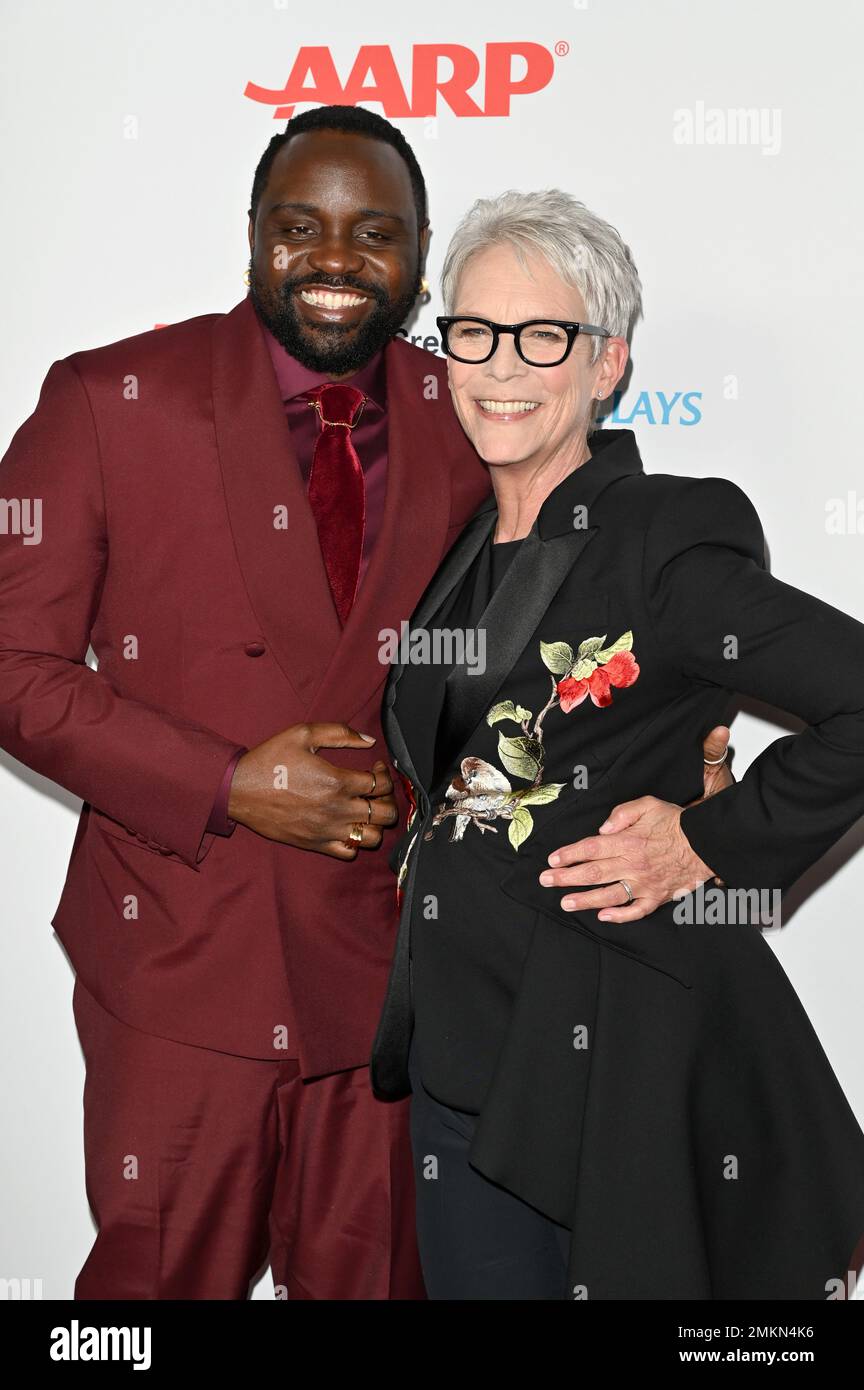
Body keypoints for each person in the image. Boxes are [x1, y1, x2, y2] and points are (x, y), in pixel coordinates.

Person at [0, 106, 728, 1300]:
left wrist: (685, 743)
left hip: (398, 982)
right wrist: (228, 781)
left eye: (374, 233)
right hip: (180, 969)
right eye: (299, 227)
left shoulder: (476, 411)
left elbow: (592, 597)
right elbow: (12, 664)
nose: (335, 261)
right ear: (250, 237)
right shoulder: (109, 400)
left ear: (419, 250)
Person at [371, 189, 864, 1301]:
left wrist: (709, 839)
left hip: (610, 1066)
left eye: (542, 335)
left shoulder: (660, 540)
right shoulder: (463, 544)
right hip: (461, 1061)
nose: (501, 366)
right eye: (474, 331)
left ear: (608, 364)